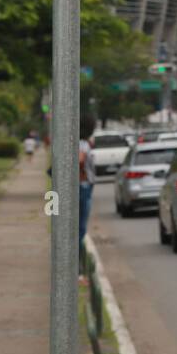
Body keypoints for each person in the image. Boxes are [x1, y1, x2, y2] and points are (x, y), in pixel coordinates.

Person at [78, 116, 97, 271]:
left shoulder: (77, 142)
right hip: (82, 187)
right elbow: (80, 161)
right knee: (80, 229)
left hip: (82, 186)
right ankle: (77, 269)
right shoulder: (83, 144)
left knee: (78, 229)